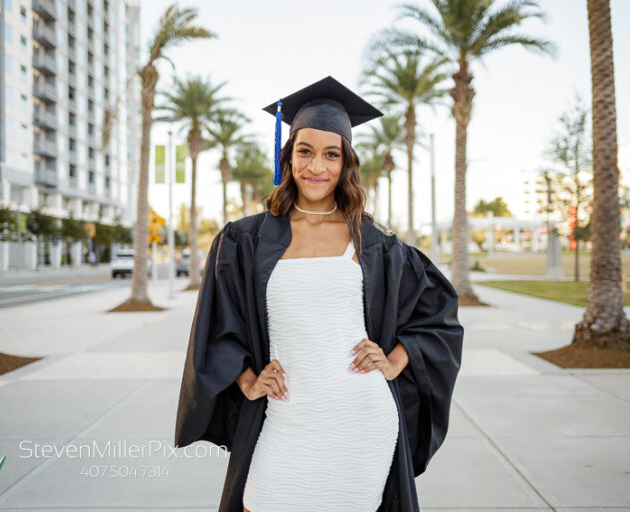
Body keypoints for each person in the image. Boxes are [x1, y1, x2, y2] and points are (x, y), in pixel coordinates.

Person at [174, 76, 464, 512]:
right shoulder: (245, 240)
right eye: (305, 151)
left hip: (361, 419)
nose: (317, 167)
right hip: (285, 416)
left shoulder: (374, 242)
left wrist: (394, 360)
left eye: (332, 154)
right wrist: (248, 381)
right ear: (288, 156)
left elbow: (437, 312)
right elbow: (218, 322)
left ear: (346, 163)